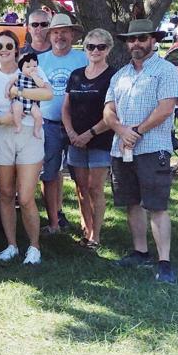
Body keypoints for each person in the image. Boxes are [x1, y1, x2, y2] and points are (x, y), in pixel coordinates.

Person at [103, 19, 178, 284]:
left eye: (141, 38)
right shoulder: (120, 75)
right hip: (122, 148)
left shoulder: (166, 70)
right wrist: (120, 129)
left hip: (152, 148)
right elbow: (108, 109)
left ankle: (165, 262)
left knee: (157, 206)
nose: (135, 43)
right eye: (131, 39)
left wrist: (135, 131)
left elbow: (165, 108)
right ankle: (140, 252)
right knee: (132, 203)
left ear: (153, 40)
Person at [0, 30, 53, 265]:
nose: (4, 50)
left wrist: (19, 93)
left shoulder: (30, 68)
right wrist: (5, 119)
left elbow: (48, 93)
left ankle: (34, 247)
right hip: (3, 137)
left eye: (8, 46)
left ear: (16, 49)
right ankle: (12, 245)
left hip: (29, 136)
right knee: (5, 194)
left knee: (25, 197)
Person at [62, 29, 117, 250]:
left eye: (101, 47)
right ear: (84, 48)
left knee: (95, 188)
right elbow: (65, 109)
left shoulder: (114, 76)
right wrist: (72, 133)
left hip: (100, 140)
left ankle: (96, 235)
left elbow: (112, 114)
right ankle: (86, 230)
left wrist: (89, 134)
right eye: (90, 46)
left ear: (109, 49)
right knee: (81, 188)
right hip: (75, 141)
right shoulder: (75, 74)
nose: (95, 51)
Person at [37, 14, 88, 234]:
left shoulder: (84, 59)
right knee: (49, 175)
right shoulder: (39, 61)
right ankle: (54, 223)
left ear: (73, 35)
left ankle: (88, 227)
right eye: (56, 32)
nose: (60, 36)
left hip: (78, 127)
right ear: (50, 35)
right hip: (48, 125)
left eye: (65, 31)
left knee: (81, 177)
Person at [8, 53, 45, 138]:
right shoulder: (18, 76)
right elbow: (10, 83)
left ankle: (36, 130)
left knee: (38, 116)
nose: (32, 69)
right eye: (28, 67)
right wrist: (7, 89)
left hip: (32, 102)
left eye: (35, 66)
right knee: (17, 110)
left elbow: (41, 85)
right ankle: (18, 126)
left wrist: (34, 76)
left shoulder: (37, 77)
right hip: (20, 99)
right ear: (22, 69)